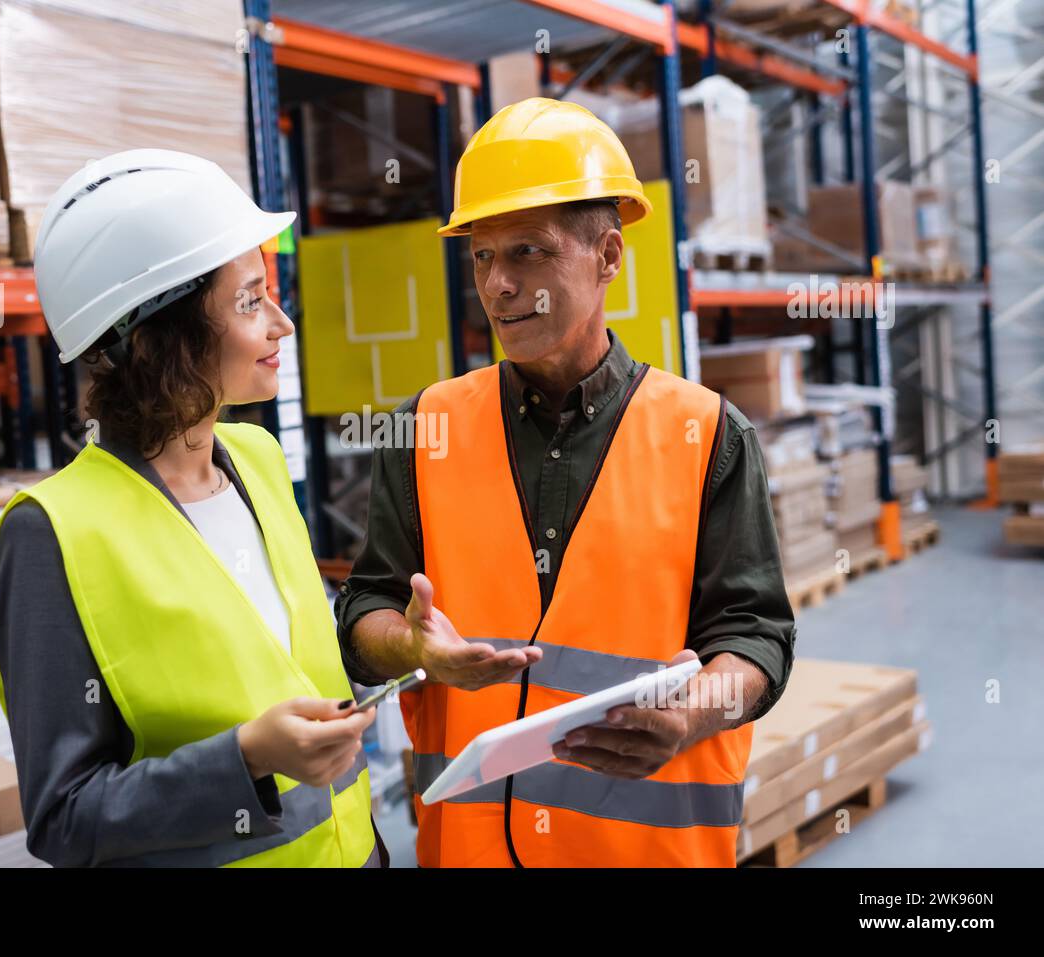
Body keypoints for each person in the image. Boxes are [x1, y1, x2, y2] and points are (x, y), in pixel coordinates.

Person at [337, 99, 797, 867]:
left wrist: (691, 715)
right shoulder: (425, 428)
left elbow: (755, 637)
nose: (499, 285)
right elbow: (366, 611)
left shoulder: (707, 432)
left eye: (529, 253)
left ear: (608, 256)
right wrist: (411, 645)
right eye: (482, 258)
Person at [0, 149, 381, 867]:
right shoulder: (53, 532)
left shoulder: (255, 458)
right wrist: (246, 756)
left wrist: (392, 647)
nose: (281, 325)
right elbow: (65, 817)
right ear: (162, 338)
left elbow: (281, 658)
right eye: (251, 300)